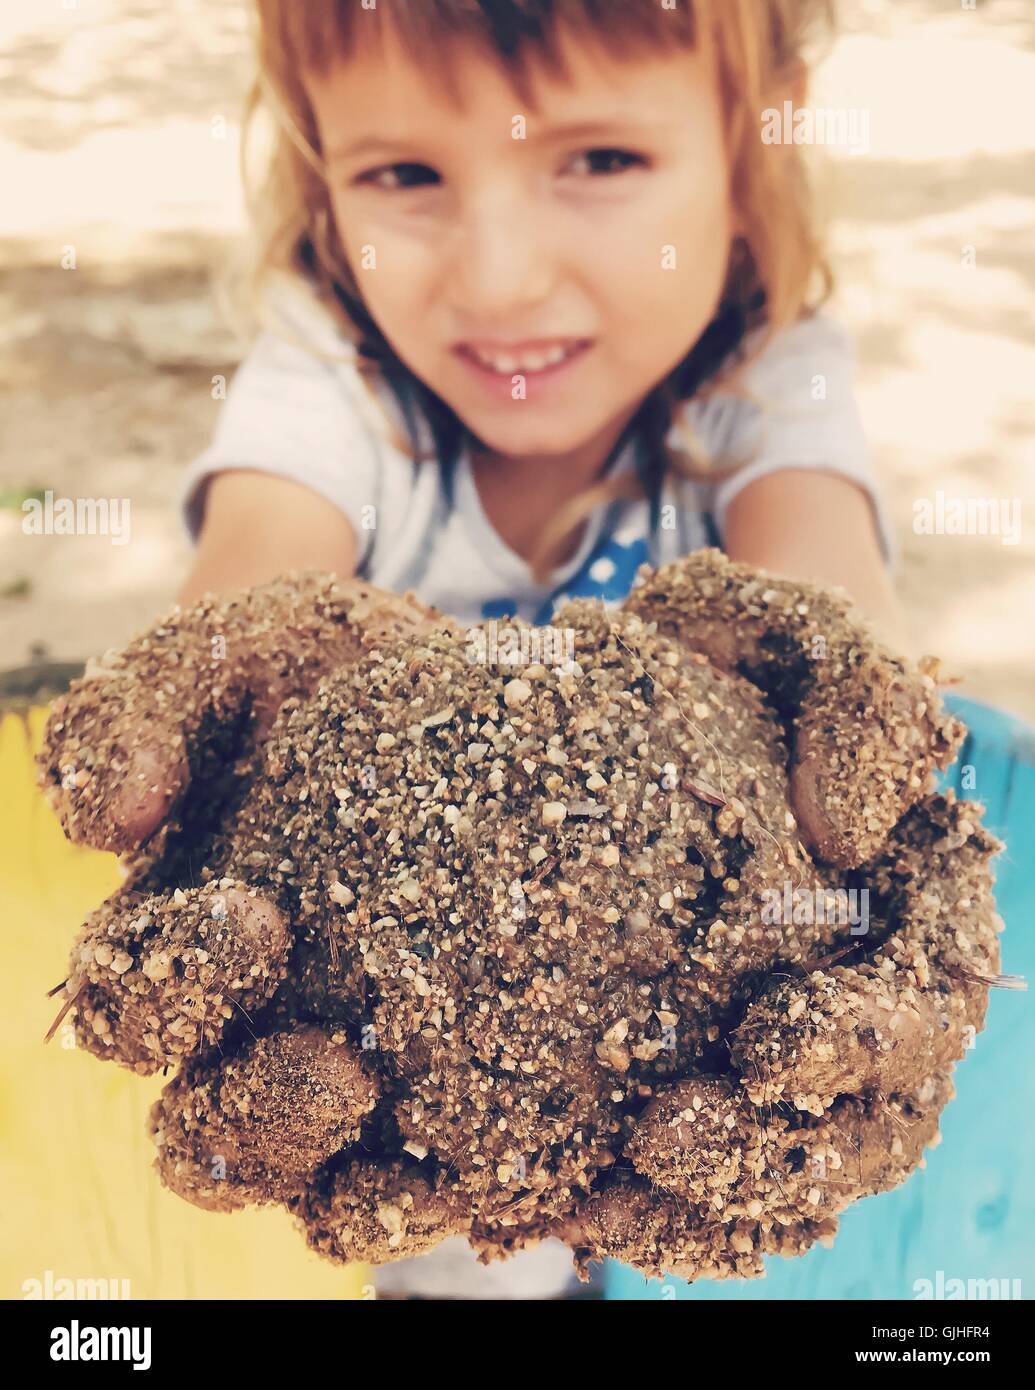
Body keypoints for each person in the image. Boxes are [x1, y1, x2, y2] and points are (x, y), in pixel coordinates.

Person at [178, 0, 901, 1297]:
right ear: (317, 173)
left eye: (600, 160)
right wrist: (226, 691)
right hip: (390, 1175)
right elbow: (248, 598)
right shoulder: (330, 376)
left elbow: (831, 615)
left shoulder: (764, 383)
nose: (499, 276)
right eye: (405, 173)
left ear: (750, 149)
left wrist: (845, 724)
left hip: (692, 1155)